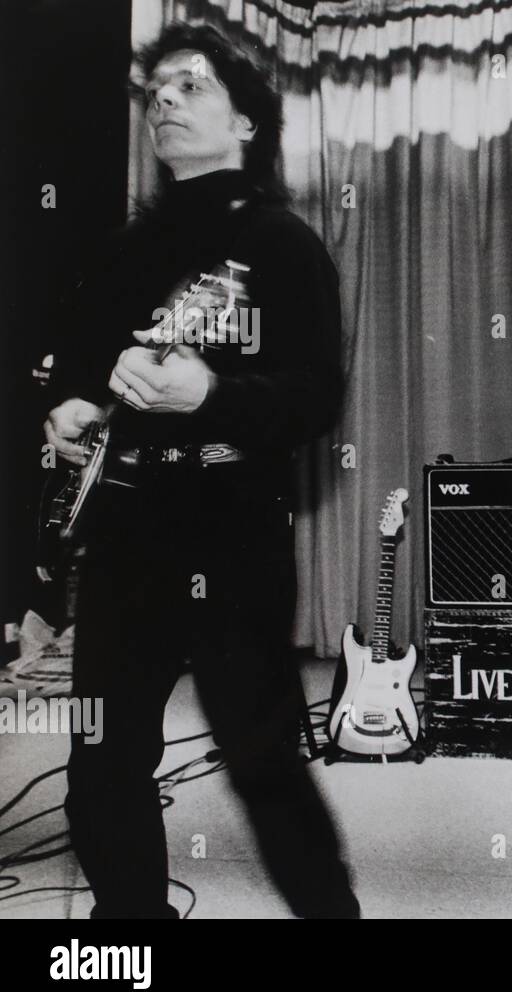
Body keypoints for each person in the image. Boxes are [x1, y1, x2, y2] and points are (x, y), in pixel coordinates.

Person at [43, 23, 359, 918]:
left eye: (190, 87)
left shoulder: (286, 245)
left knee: (263, 764)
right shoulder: (118, 252)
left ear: (247, 121)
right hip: (127, 531)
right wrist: (68, 411)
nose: (165, 102)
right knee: (101, 764)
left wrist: (209, 396)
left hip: (234, 531)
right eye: (156, 93)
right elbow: (80, 374)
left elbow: (314, 399)